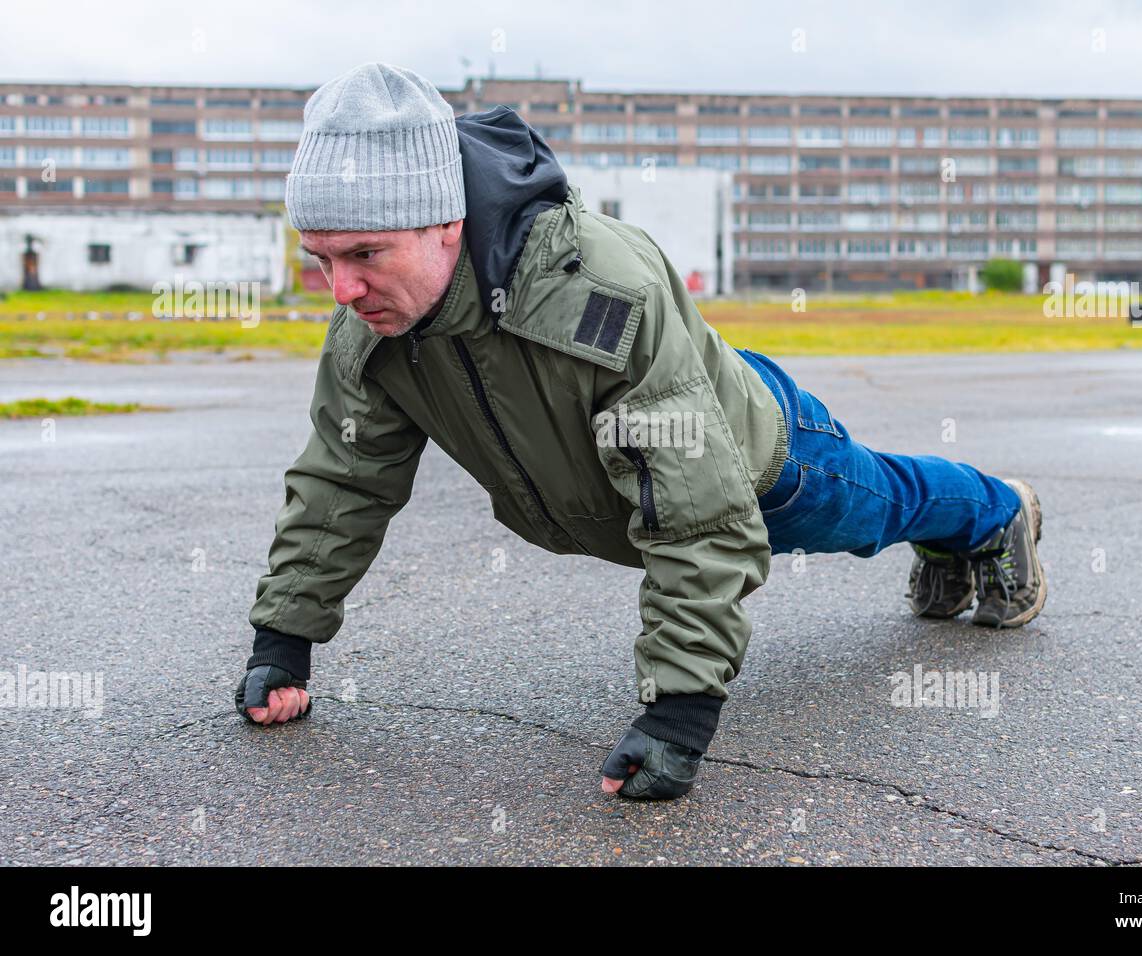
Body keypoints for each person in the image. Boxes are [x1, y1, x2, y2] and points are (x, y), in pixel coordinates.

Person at [235, 62, 1046, 801]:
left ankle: (997, 512)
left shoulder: (599, 291)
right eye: (320, 258)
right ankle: (961, 537)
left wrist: (680, 711)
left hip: (757, 452)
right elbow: (345, 480)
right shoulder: (373, 331)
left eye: (365, 252)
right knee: (879, 512)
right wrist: (284, 637)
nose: (341, 287)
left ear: (443, 222)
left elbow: (696, 509)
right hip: (666, 447)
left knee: (879, 508)